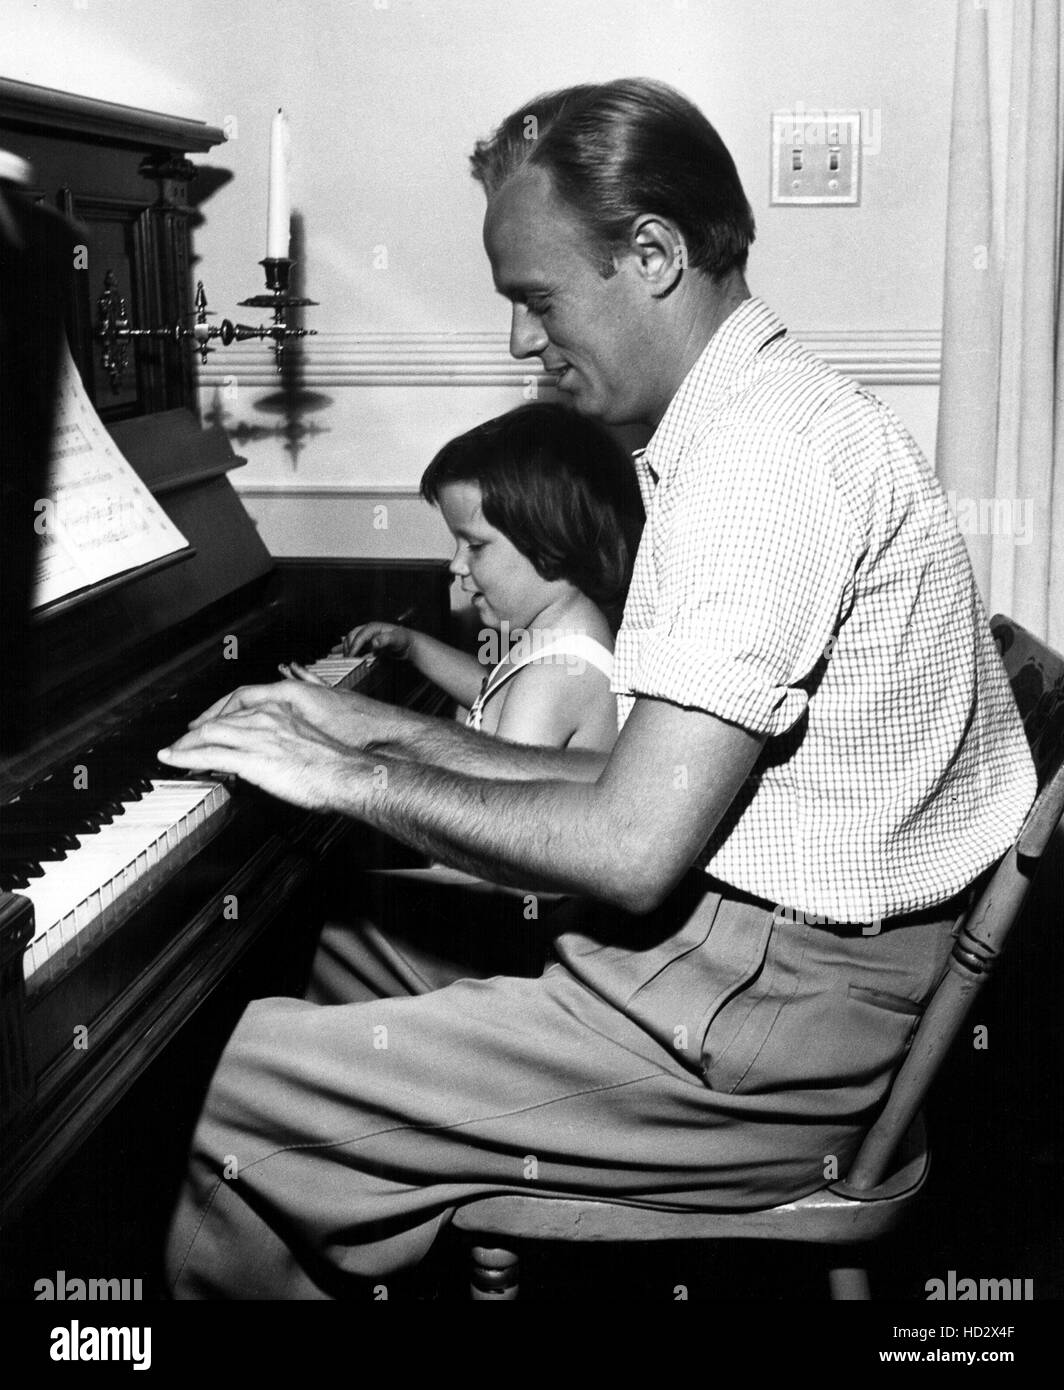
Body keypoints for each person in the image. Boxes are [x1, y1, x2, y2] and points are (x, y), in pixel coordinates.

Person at [160, 78, 1037, 1299]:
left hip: (765, 1034)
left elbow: (628, 847)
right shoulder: (746, 420)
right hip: (757, 960)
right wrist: (370, 730)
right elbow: (645, 782)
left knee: (254, 1087)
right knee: (361, 937)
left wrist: (348, 775)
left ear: (653, 254)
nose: (524, 342)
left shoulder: (759, 465)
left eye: (535, 300)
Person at [284, 401, 643, 754]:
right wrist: (413, 646)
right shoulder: (560, 630)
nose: (456, 564)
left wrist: (359, 733)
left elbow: (486, 801)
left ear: (550, 543)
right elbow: (491, 693)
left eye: (475, 545)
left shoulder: (554, 680)